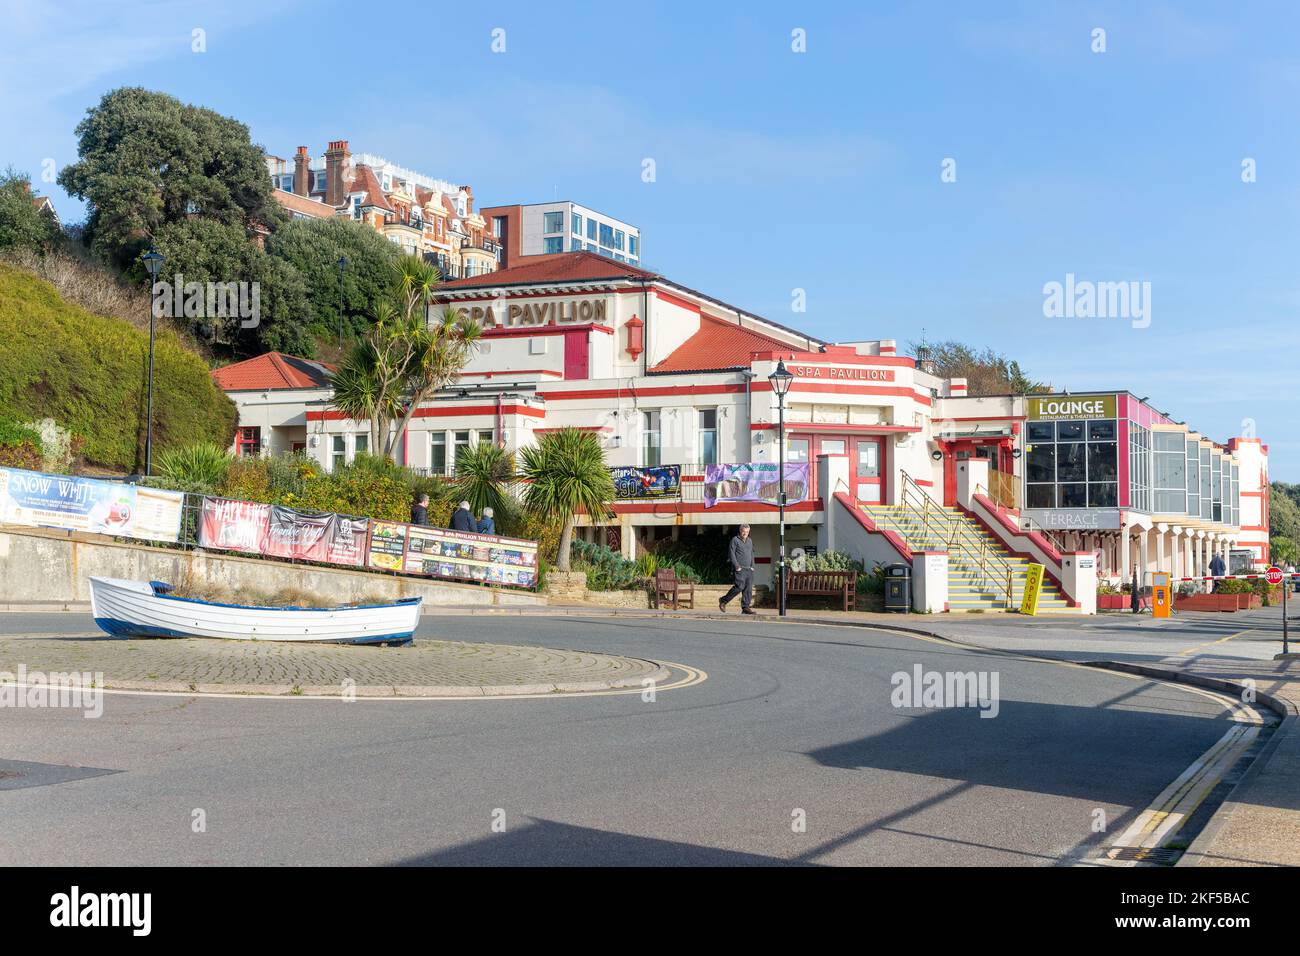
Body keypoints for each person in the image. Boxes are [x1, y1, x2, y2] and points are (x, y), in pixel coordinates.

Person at [719, 523, 756, 615]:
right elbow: (731, 554)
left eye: (747, 532)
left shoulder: (750, 541)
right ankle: (723, 600)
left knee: (748, 589)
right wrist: (736, 566)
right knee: (739, 587)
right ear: (740, 531)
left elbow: (751, 554)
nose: (745, 534)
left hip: (749, 569)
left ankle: (745, 608)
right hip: (740, 569)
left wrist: (752, 566)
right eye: (743, 532)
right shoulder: (735, 540)